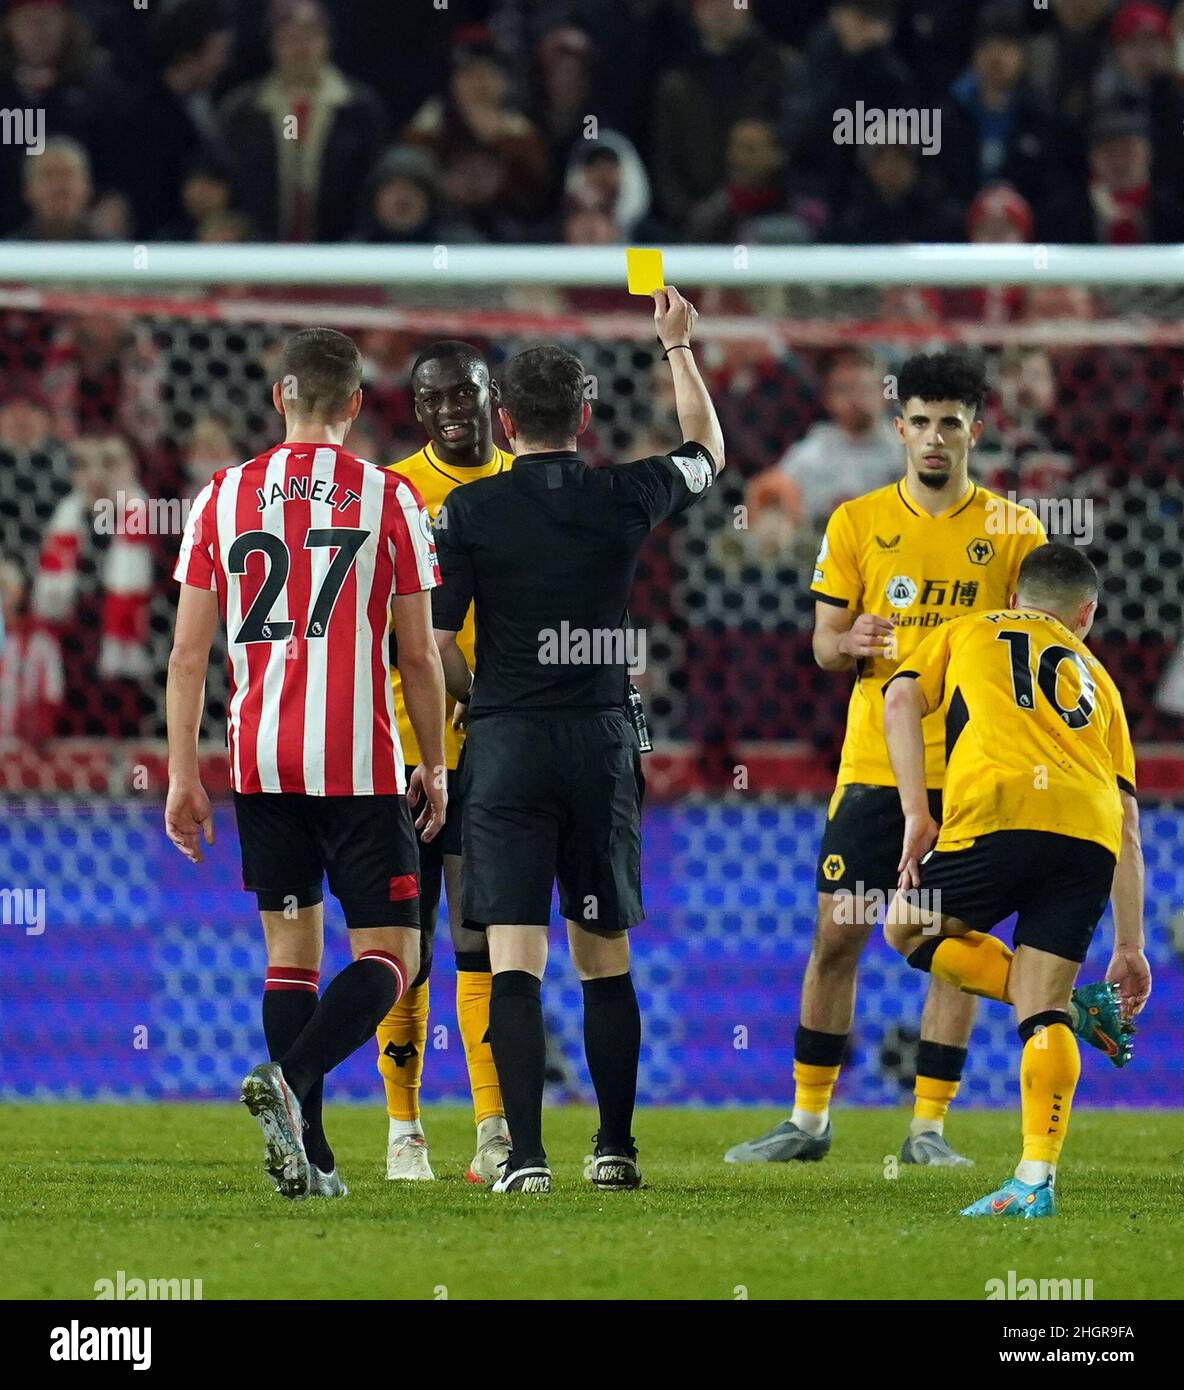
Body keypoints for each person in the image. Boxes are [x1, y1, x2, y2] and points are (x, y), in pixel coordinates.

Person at [430, 289, 724, 1193]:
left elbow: (439, 646)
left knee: (513, 955)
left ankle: (523, 1156)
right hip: (599, 742)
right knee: (604, 954)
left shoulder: (469, 514)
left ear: (505, 419)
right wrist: (676, 347)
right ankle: (615, 1149)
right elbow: (709, 453)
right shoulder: (622, 494)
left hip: (508, 743)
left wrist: (489, 701)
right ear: (587, 417)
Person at [724, 350, 1047, 1169]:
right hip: (874, 764)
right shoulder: (857, 522)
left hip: (973, 767)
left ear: (977, 429)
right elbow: (824, 643)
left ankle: (928, 1129)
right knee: (839, 934)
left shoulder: (1015, 532)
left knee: (950, 939)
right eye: (922, 423)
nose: (935, 438)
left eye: (952, 423)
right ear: (900, 428)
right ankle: (808, 1120)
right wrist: (848, 639)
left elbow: (1041, 641)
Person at [164, 327, 447, 1200]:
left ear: (279, 395)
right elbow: (420, 656)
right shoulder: (388, 498)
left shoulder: (219, 498)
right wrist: (434, 766)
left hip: (257, 760)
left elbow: (185, 656)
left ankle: (311, 1159)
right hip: (356, 763)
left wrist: (182, 773)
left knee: (290, 954)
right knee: (397, 951)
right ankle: (290, 1081)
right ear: (358, 405)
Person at [882, 543, 1151, 1217]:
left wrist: (918, 812)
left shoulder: (968, 629)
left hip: (1000, 813)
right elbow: (1127, 822)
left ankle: (1054, 1004)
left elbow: (898, 699)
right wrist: (1130, 945)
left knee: (903, 926)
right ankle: (1035, 1178)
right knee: (1044, 1010)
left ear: (1013, 598)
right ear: (1086, 613)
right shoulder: (1101, 680)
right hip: (1086, 832)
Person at [376, 340, 515, 1184]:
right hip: (398, 748)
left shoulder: (523, 483)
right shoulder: (392, 493)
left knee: (478, 939)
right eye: (435, 399)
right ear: (417, 410)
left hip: (498, 749)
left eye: (465, 393)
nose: (452, 409)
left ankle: (494, 1128)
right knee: (403, 943)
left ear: (490, 396)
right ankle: (404, 1130)